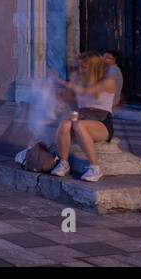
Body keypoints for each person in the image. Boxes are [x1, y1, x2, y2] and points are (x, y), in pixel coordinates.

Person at [51, 52, 120, 183]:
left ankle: (95, 168)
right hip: (81, 115)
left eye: (84, 67)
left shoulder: (108, 81)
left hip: (101, 120)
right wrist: (53, 90)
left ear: (94, 67)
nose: (80, 69)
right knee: (65, 123)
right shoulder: (79, 79)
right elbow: (68, 97)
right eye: (79, 66)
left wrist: (61, 81)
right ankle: (63, 163)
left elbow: (87, 91)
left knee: (78, 125)